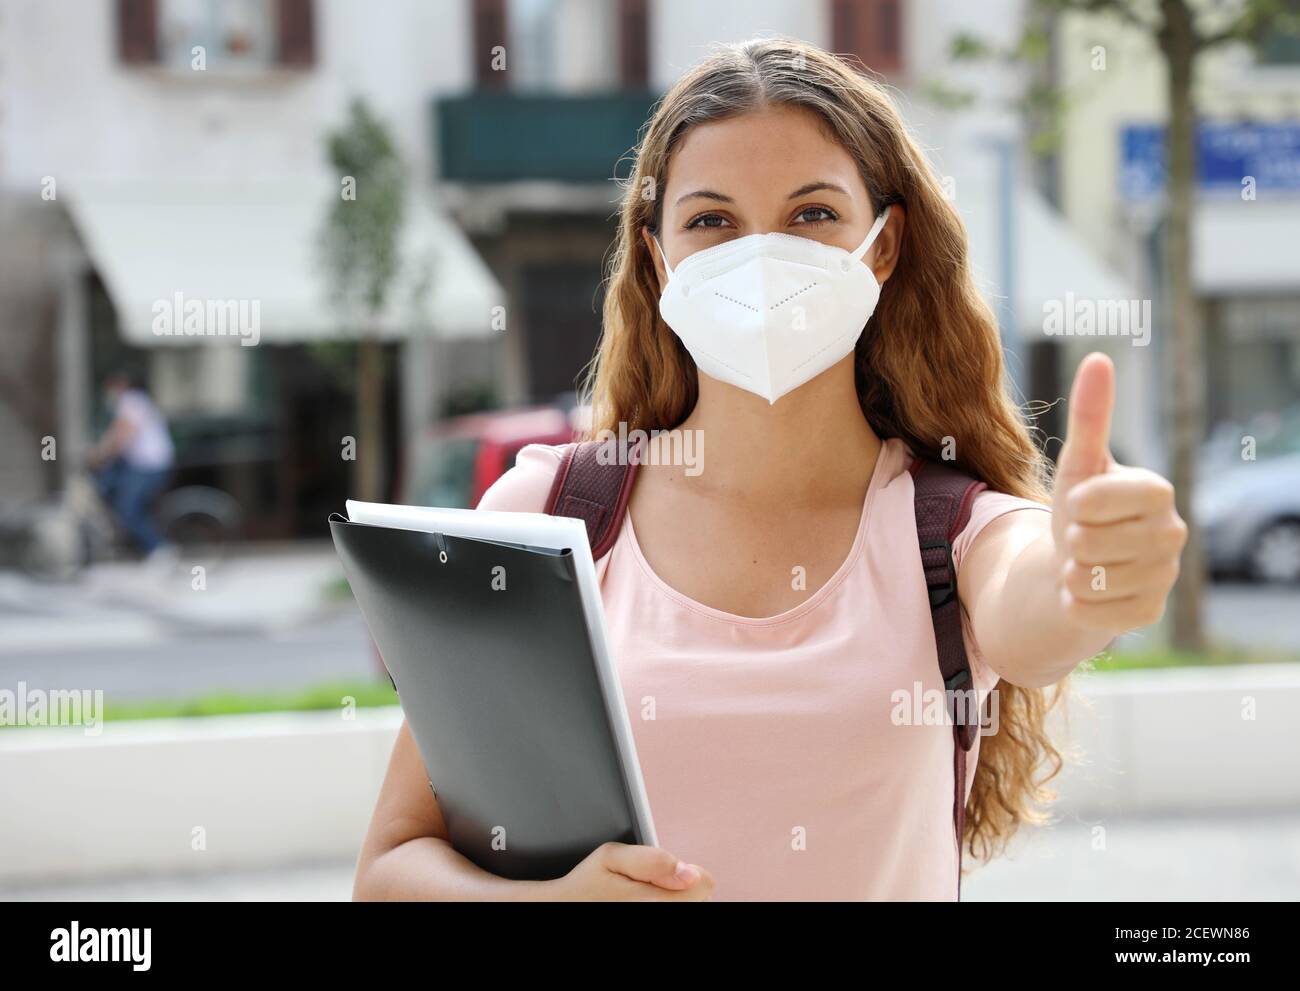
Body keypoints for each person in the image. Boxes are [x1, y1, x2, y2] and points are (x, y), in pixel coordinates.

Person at [352, 38, 1187, 901]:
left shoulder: (950, 533)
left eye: (812, 214)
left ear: (886, 244)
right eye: (711, 220)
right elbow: (388, 871)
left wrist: (1088, 575)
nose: (760, 257)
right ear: (658, 256)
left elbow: (1038, 600)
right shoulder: (547, 516)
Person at [88, 370, 175, 557]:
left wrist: (100, 456)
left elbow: (123, 436)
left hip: (148, 465)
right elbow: (114, 435)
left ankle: (159, 549)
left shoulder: (131, 401)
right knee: (111, 489)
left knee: (127, 508)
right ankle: (129, 542)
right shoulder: (133, 402)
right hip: (142, 464)